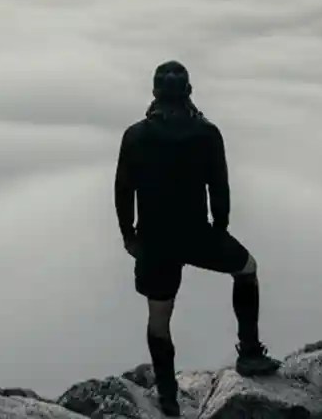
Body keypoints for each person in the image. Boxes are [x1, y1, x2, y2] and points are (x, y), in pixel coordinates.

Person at [114, 60, 280, 416]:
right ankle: (249, 352)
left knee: (159, 319)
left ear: (155, 92)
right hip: (196, 233)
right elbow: (219, 188)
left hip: (154, 241)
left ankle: (168, 397)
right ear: (188, 91)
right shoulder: (206, 133)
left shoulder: (135, 136)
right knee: (246, 268)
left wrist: (129, 236)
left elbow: (123, 190)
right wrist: (219, 230)